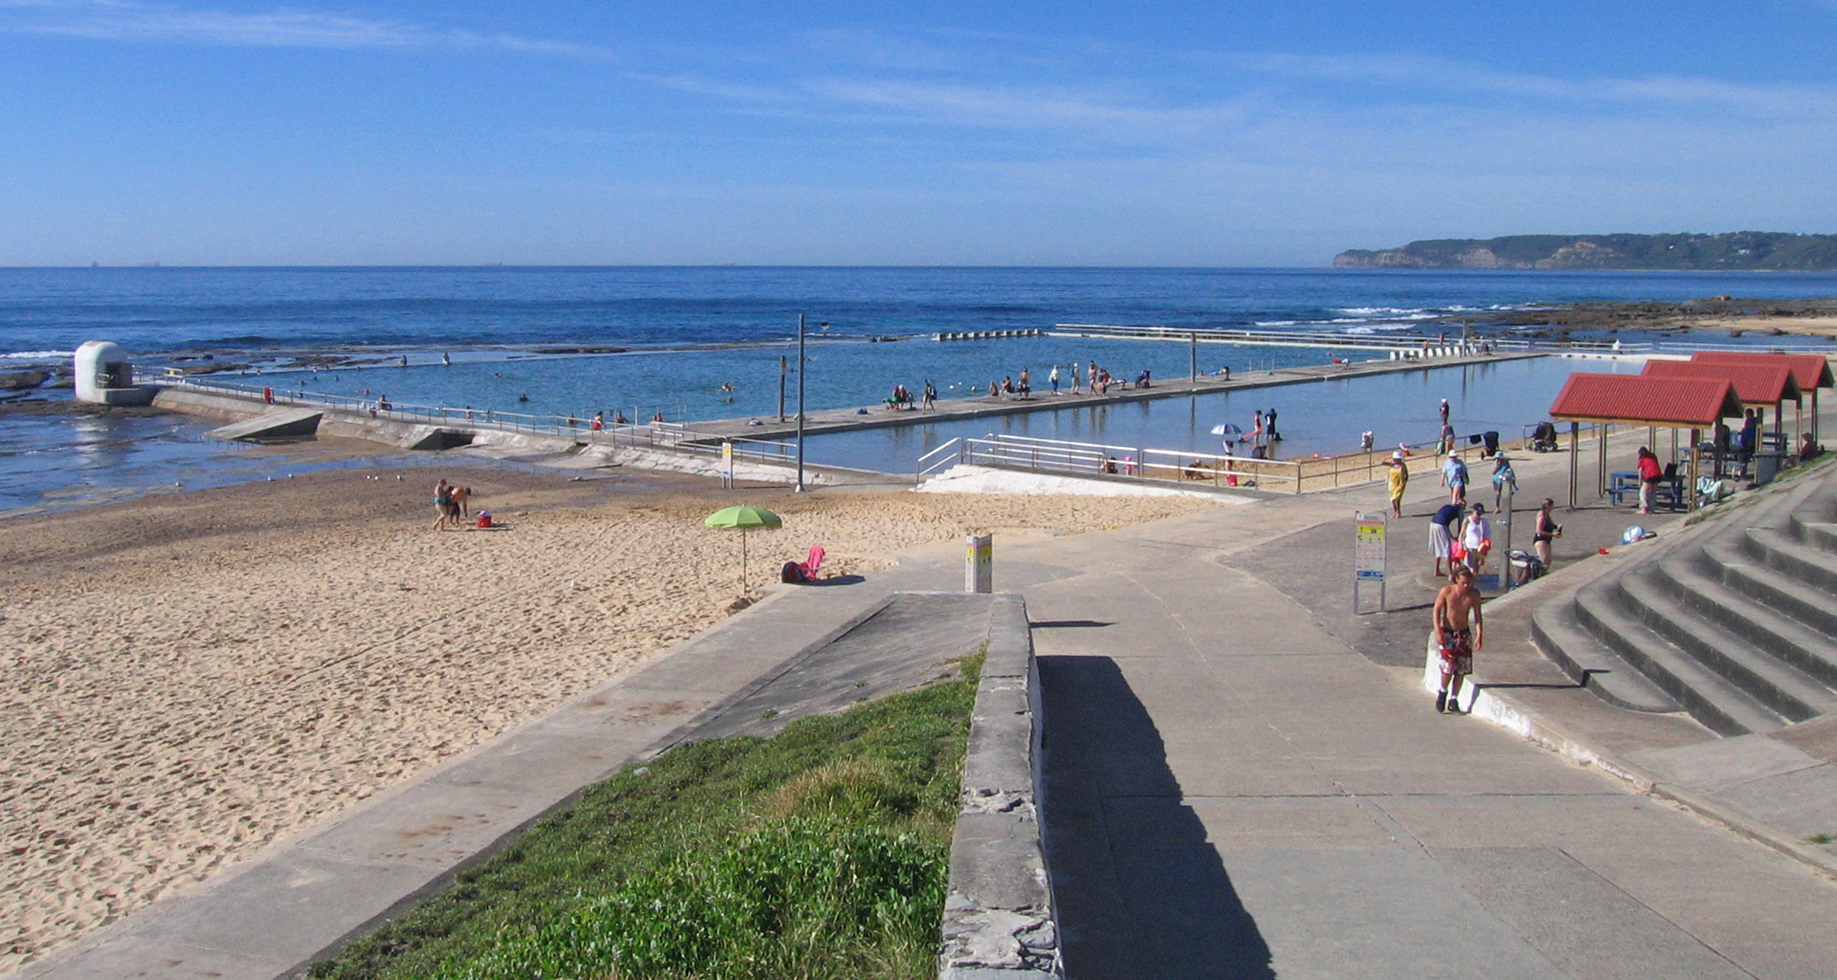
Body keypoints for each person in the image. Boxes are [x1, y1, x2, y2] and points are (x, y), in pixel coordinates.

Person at [1433, 565, 1484, 713]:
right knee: (1448, 667)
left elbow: (1478, 615)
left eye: (1469, 583)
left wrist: (1479, 635)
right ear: (1456, 580)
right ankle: (1443, 691)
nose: (1466, 586)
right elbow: (1436, 610)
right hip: (1448, 632)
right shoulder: (1447, 592)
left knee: (1461, 669)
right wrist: (1438, 631)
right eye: (1463, 583)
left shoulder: (1473, 594)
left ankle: (1454, 699)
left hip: (1464, 633)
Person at [1430, 501, 1463, 578]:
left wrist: (1452, 537)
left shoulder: (1448, 506)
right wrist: (1459, 538)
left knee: (1438, 548)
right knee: (1447, 550)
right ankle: (1451, 574)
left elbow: (1446, 524)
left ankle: (1436, 570)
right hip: (1441, 525)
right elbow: (1460, 526)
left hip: (1433, 523)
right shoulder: (1459, 510)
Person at [1533, 498, 1562, 571]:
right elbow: (1539, 531)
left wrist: (1557, 527)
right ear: (1547, 506)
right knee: (1544, 561)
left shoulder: (1546, 515)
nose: (1552, 508)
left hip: (1547, 540)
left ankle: (1544, 574)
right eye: (1551, 506)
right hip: (1541, 540)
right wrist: (1553, 534)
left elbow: (1549, 525)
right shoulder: (1542, 516)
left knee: (1548, 561)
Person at [1461, 503, 1491, 572]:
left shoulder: (1484, 521)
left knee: (1477, 566)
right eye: (1477, 513)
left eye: (1480, 513)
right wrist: (1461, 544)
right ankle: (1471, 580)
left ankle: (1474, 580)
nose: (1479, 515)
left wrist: (1487, 544)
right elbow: (1461, 534)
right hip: (1469, 546)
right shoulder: (1468, 520)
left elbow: (1487, 534)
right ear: (1473, 511)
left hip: (1480, 547)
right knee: (1469, 566)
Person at [1636, 446, 1662, 514]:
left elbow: (1640, 470)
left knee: (1643, 492)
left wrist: (1640, 481)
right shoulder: (1653, 456)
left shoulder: (1642, 458)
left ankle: (1644, 508)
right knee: (1652, 492)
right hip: (1657, 474)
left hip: (1650, 475)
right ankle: (1652, 507)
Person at [1387, 453, 1409, 519]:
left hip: (1399, 483)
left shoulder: (1402, 466)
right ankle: (1395, 512)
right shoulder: (1392, 465)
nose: (1396, 460)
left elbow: (1406, 475)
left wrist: (1404, 483)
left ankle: (1398, 512)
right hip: (1391, 484)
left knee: (1396, 499)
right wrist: (1386, 457)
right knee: (1392, 499)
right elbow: (1382, 463)